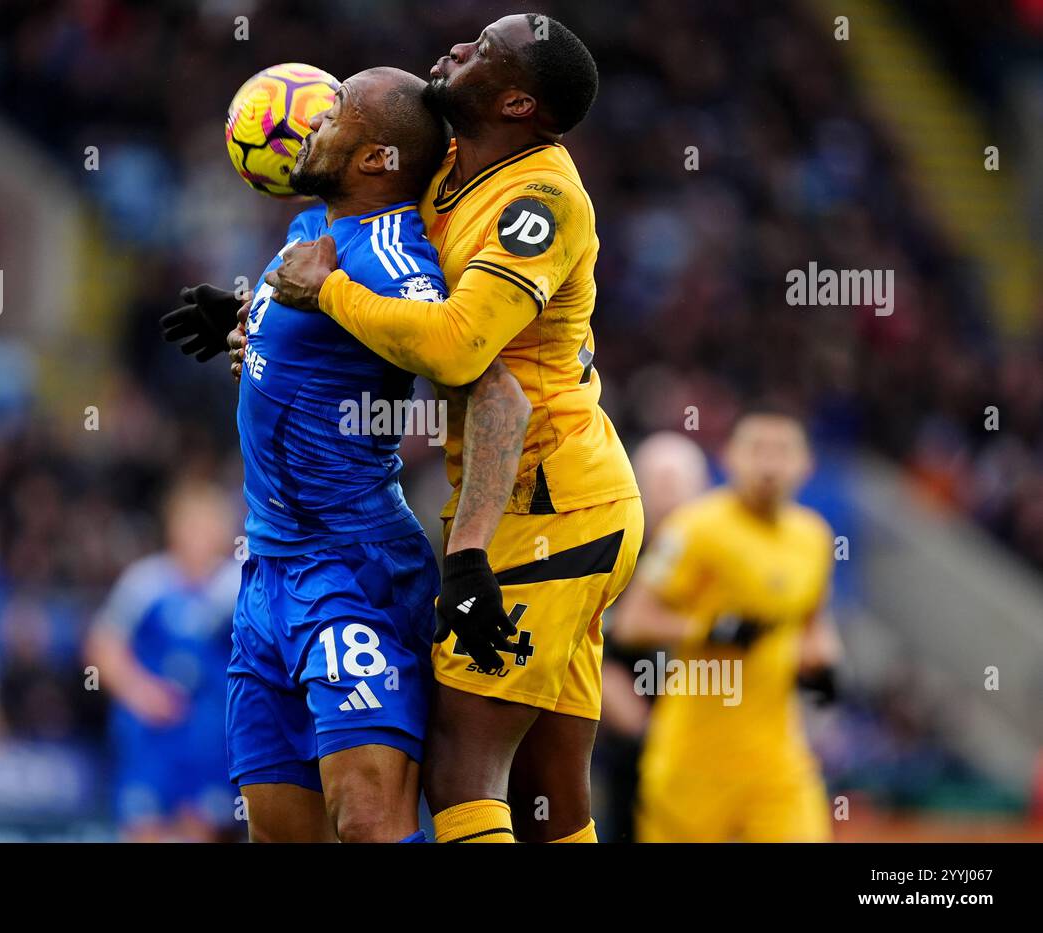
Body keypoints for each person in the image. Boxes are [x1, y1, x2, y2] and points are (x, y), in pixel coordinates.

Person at [268, 15, 641, 843]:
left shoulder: (541, 199)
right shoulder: (450, 169)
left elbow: (462, 343)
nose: (454, 49)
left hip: (554, 502)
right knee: (550, 794)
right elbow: (370, 238)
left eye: (480, 51)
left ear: (515, 101)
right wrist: (256, 311)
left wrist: (323, 295)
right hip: (534, 501)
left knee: (460, 762)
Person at [163, 67, 531, 842]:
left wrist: (466, 555)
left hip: (351, 570)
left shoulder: (393, 257)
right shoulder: (314, 227)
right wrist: (244, 316)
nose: (310, 126)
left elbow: (495, 394)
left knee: (367, 820)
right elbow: (326, 333)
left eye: (333, 117)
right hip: (268, 573)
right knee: (279, 829)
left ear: (374, 161)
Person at [614, 405, 843, 842]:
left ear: (807, 464)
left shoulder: (813, 538)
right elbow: (632, 621)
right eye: (757, 449)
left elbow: (813, 622)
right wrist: (710, 629)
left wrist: (826, 665)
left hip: (778, 760)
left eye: (783, 451)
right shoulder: (694, 528)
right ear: (729, 457)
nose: (770, 464)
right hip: (693, 761)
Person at [85, 480, 241, 842]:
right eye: (191, 524)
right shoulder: (146, 581)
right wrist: (139, 691)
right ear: (173, 526)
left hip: (212, 736)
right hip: (150, 737)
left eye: (209, 524)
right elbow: (102, 645)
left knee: (206, 830)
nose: (200, 535)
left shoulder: (237, 585)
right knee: (144, 829)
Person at [599, 431, 710, 842]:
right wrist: (643, 731)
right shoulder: (618, 564)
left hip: (711, 742)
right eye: (660, 485)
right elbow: (598, 653)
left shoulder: (717, 566)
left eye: (679, 485)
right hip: (636, 748)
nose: (671, 499)